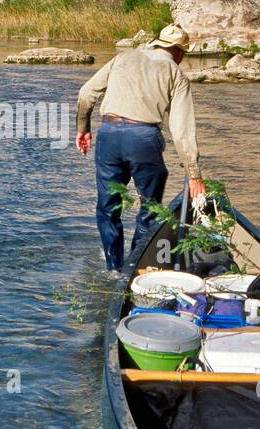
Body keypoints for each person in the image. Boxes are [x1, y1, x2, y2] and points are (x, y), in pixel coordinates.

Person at [76, 23, 205, 274]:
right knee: (150, 208)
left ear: (158, 43)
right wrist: (194, 174)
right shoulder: (176, 74)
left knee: (108, 205)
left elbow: (86, 93)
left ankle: (113, 268)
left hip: (109, 134)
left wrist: (83, 127)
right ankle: (136, 267)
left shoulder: (122, 58)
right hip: (143, 138)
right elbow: (181, 129)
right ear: (179, 52)